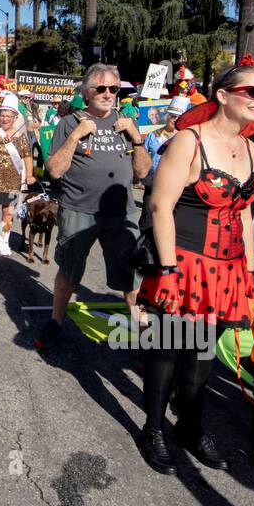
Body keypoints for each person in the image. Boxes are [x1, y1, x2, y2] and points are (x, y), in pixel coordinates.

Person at [135, 63, 254, 474]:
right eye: (252, 92)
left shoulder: (251, 148)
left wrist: (250, 272)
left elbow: (243, 215)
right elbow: (160, 206)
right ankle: (153, 428)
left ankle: (190, 426)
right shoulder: (189, 141)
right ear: (223, 96)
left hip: (226, 269)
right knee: (167, 351)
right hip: (184, 263)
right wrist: (168, 270)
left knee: (201, 354)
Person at [36, 66, 152, 349]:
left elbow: (144, 171)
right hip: (79, 209)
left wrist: (136, 137)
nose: (108, 94)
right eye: (100, 88)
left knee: (131, 276)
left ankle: (145, 337)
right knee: (70, 271)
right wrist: (76, 136)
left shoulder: (125, 122)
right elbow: (53, 170)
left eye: (113, 89)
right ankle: (56, 321)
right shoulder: (68, 123)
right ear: (86, 92)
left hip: (121, 213)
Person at [0, 93, 37, 257]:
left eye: (8, 116)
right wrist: (3, 140)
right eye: (2, 115)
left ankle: (3, 240)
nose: (4, 119)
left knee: (8, 214)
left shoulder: (21, 136)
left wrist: (30, 175)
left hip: (12, 180)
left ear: (15, 117)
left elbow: (27, 156)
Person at [142, 95, 190, 187]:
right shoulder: (153, 134)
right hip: (153, 182)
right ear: (167, 116)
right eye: (173, 116)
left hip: (175, 185)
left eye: (179, 117)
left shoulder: (187, 137)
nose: (175, 120)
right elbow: (143, 155)